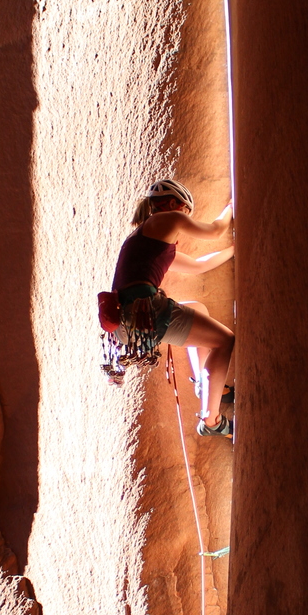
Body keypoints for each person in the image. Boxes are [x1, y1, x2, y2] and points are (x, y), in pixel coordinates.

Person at [101, 179, 235, 436]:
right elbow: (216, 230)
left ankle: (205, 384)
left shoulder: (149, 241)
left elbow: (198, 265)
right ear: (174, 204)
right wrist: (231, 206)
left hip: (125, 323)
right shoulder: (167, 218)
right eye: (186, 212)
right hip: (145, 310)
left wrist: (233, 250)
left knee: (196, 308)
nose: (184, 219)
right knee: (224, 340)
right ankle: (211, 421)